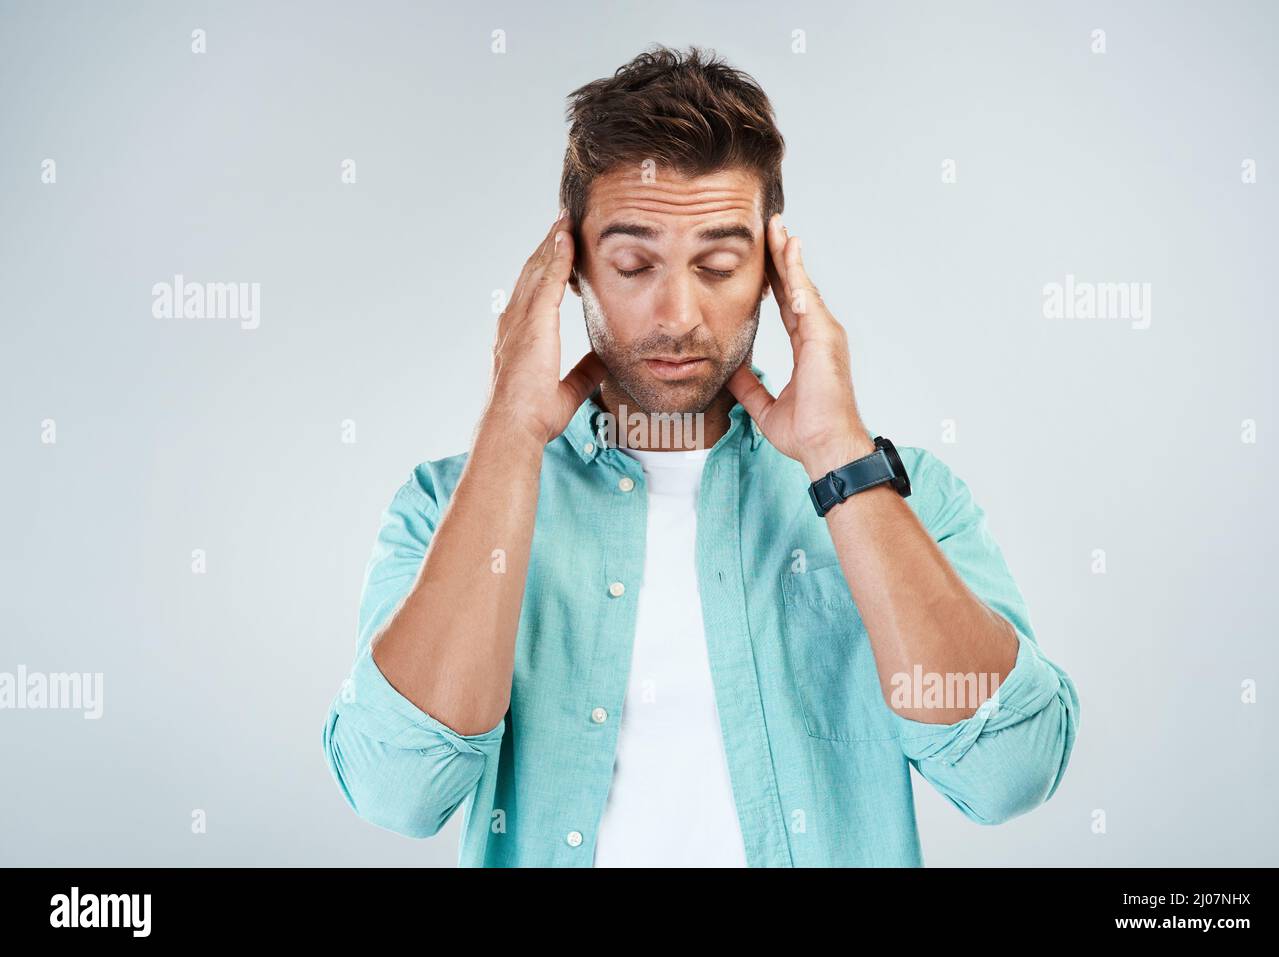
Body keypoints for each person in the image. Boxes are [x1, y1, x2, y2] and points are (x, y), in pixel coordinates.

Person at [321, 45, 1079, 867]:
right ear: (570, 269)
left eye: (718, 264)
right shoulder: (444, 508)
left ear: (770, 275)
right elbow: (398, 791)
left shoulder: (906, 496)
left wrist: (837, 454)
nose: (676, 313)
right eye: (634, 263)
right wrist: (510, 427)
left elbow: (1013, 773)